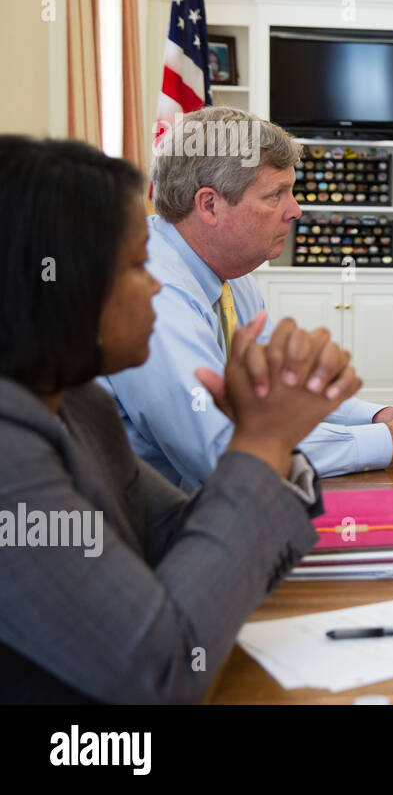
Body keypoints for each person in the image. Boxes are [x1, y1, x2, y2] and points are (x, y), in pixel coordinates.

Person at [0, 136, 355, 703]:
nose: (158, 286)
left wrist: (262, 442)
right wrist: (262, 441)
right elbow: (158, 673)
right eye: (139, 264)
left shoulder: (80, 404)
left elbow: (177, 536)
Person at [99, 106, 393, 491]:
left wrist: (385, 417)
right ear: (209, 205)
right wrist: (391, 440)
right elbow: (224, 448)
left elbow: (287, 392)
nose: (296, 210)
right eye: (276, 195)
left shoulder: (229, 274)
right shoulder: (152, 291)